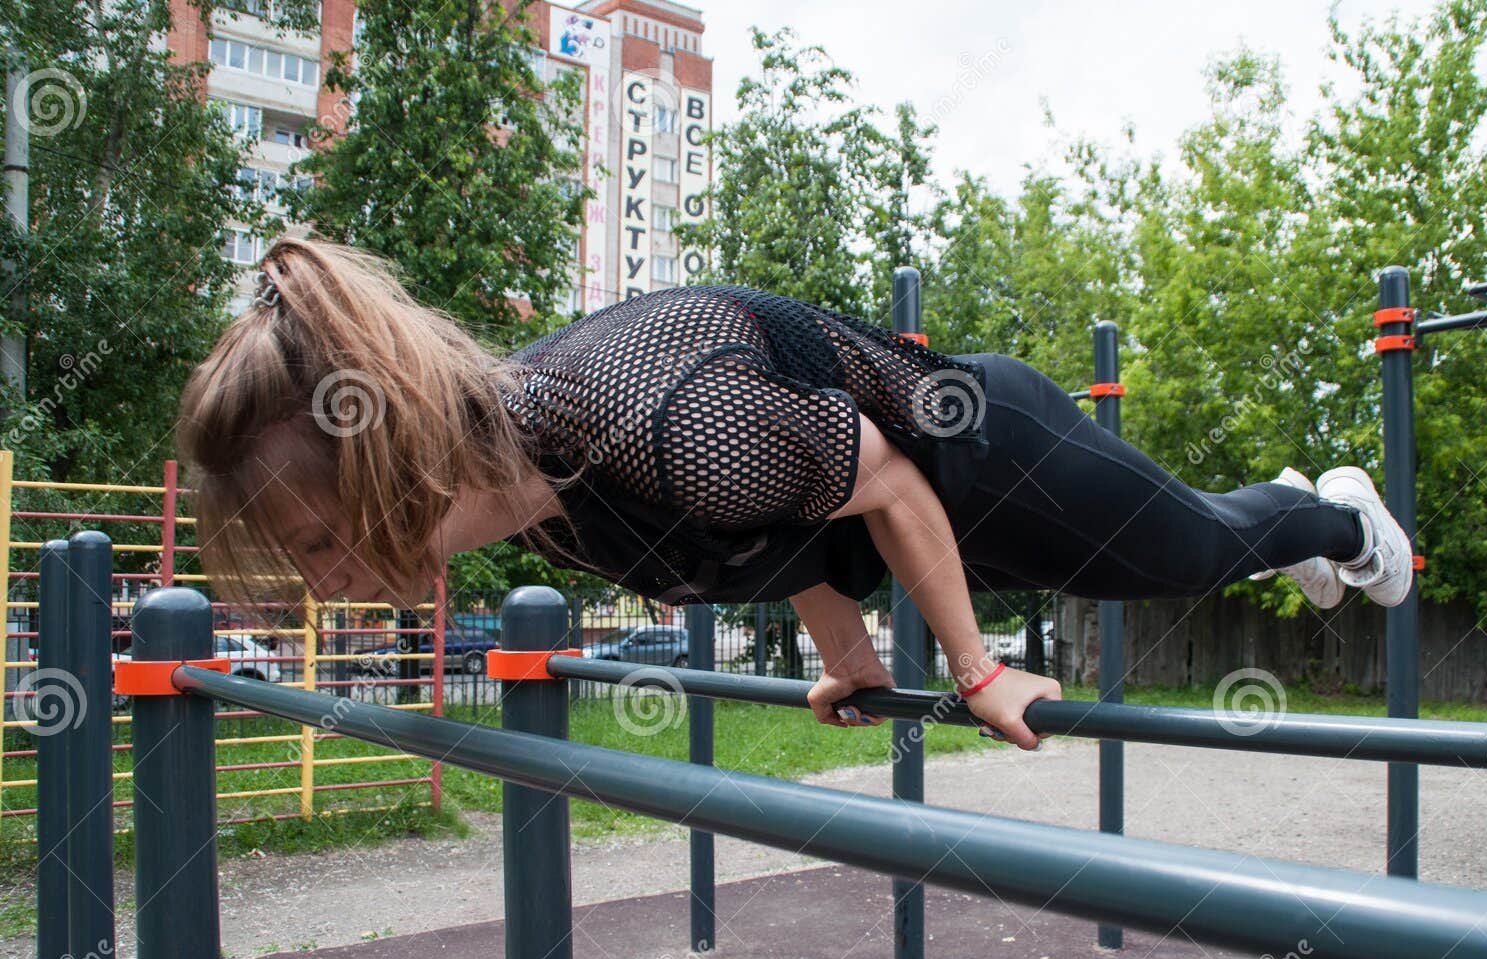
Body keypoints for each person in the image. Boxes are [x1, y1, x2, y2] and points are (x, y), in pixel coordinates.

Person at [179, 238, 1412, 750]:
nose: (323, 583)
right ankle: (1288, 517)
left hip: (975, 450)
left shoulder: (658, 425)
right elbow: (788, 534)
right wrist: (851, 656)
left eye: (322, 542)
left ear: (398, 466)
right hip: (901, 509)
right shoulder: (541, 483)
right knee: (1185, 547)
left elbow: (877, 480)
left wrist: (975, 674)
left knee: (1188, 554)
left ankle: (1334, 514)